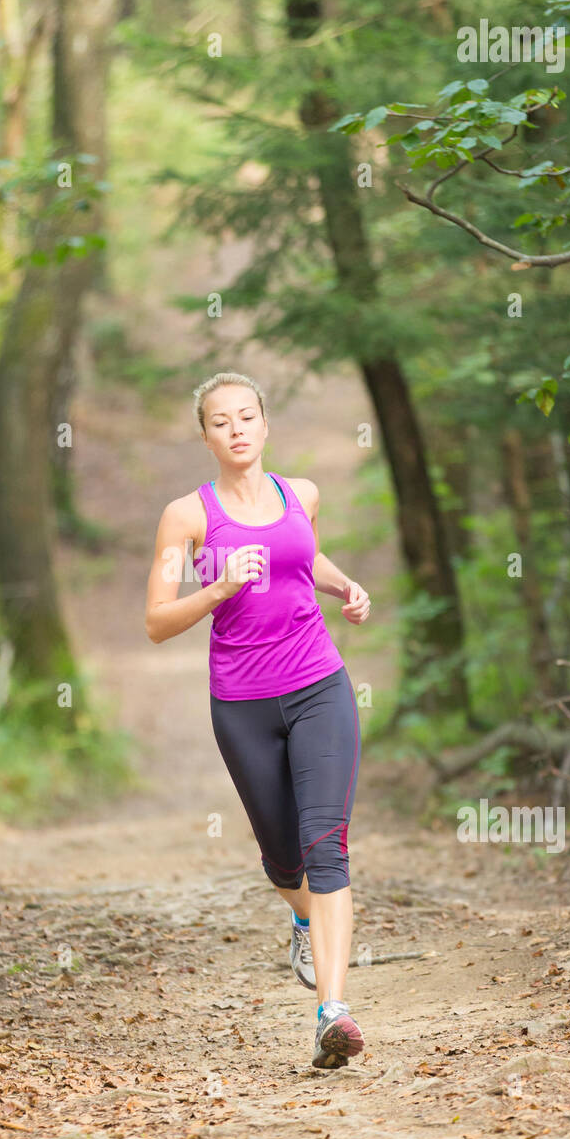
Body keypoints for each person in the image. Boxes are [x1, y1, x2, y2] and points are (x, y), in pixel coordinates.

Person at [144, 371, 371, 1068]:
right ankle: (302, 919)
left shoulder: (299, 494)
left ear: (265, 425)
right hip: (241, 704)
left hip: (318, 686)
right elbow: (156, 622)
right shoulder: (187, 517)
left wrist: (343, 585)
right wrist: (218, 585)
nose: (237, 429)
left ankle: (331, 1012)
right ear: (206, 435)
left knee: (325, 844)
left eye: (248, 416)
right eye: (222, 420)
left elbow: (302, 555)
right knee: (282, 856)